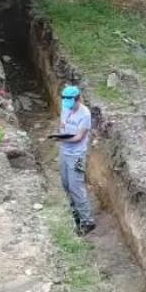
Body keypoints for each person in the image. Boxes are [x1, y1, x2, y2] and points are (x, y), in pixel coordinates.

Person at [51, 83, 95, 235]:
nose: (67, 105)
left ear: (78, 99)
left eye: (70, 102)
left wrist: (61, 140)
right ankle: (74, 213)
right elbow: (63, 125)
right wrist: (60, 135)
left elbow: (78, 137)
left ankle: (87, 221)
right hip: (64, 152)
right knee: (65, 183)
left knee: (76, 186)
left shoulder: (85, 114)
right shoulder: (65, 107)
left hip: (77, 156)